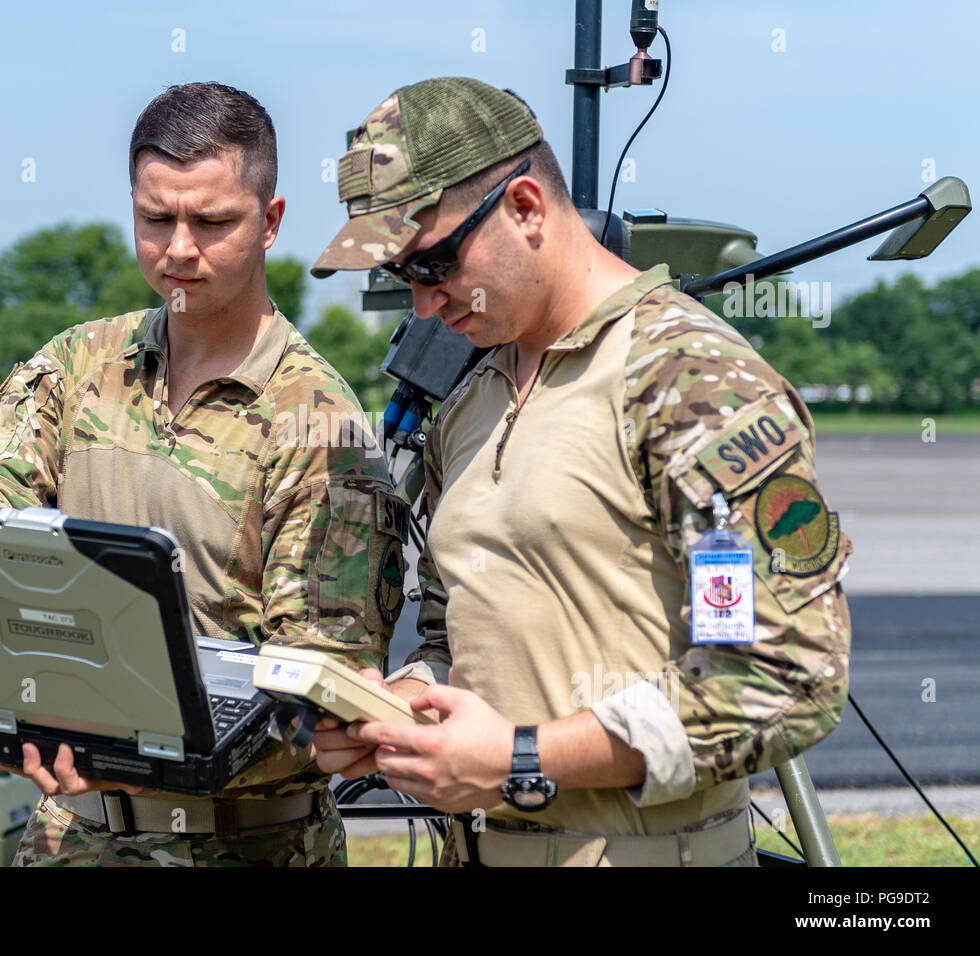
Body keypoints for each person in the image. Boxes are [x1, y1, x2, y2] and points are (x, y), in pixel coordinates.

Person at [308, 76, 853, 867]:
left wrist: (520, 759)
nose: (424, 307)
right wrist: (405, 702)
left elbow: (785, 678)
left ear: (526, 206)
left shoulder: (689, 381)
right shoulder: (470, 403)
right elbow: (449, 632)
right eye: (403, 279)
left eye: (433, 265)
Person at [0, 82, 406, 867]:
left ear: (271, 221)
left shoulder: (319, 423)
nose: (180, 248)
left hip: (249, 847)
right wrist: (30, 705)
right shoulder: (78, 365)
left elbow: (324, 688)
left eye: (213, 221)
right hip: (73, 836)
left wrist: (120, 728)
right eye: (155, 218)